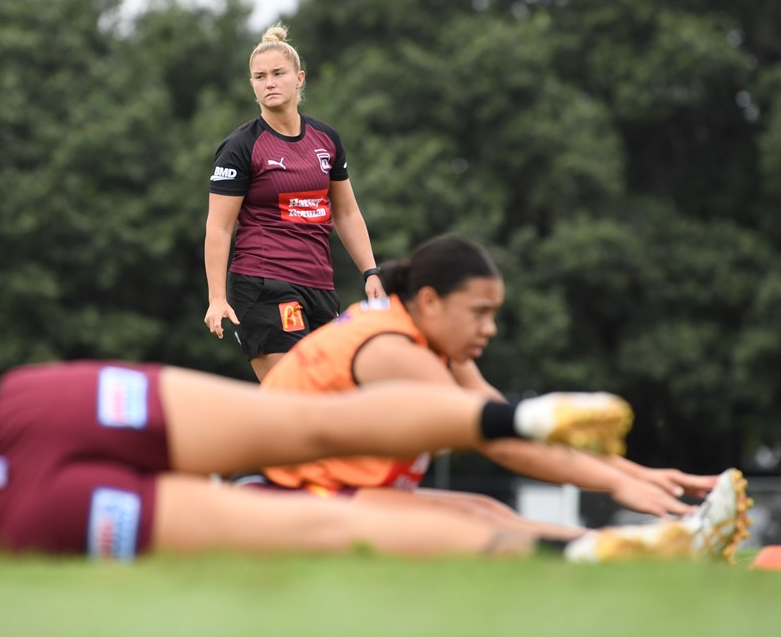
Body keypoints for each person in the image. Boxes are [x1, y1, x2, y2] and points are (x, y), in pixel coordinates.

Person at [0, 359, 729, 571]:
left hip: (15, 513)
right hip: (31, 402)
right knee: (311, 431)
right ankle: (522, 410)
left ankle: (589, 553)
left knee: (320, 528)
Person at [253, 233, 746, 554]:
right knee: (479, 527)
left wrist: (642, 475)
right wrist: (615, 485)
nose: (489, 329)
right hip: (277, 499)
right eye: (479, 311)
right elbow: (500, 440)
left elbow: (514, 423)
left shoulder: (426, 338)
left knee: (491, 514)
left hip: (320, 492)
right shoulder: (394, 350)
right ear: (430, 301)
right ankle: (659, 549)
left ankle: (663, 545)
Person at [204, 23, 383, 380]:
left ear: (299, 78)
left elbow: (346, 212)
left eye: (277, 74)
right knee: (294, 399)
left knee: (333, 396)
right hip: (263, 284)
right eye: (259, 76)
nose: (268, 82)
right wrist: (216, 297)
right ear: (252, 85)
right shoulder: (241, 146)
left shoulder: (326, 139)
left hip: (319, 287)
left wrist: (371, 272)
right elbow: (219, 226)